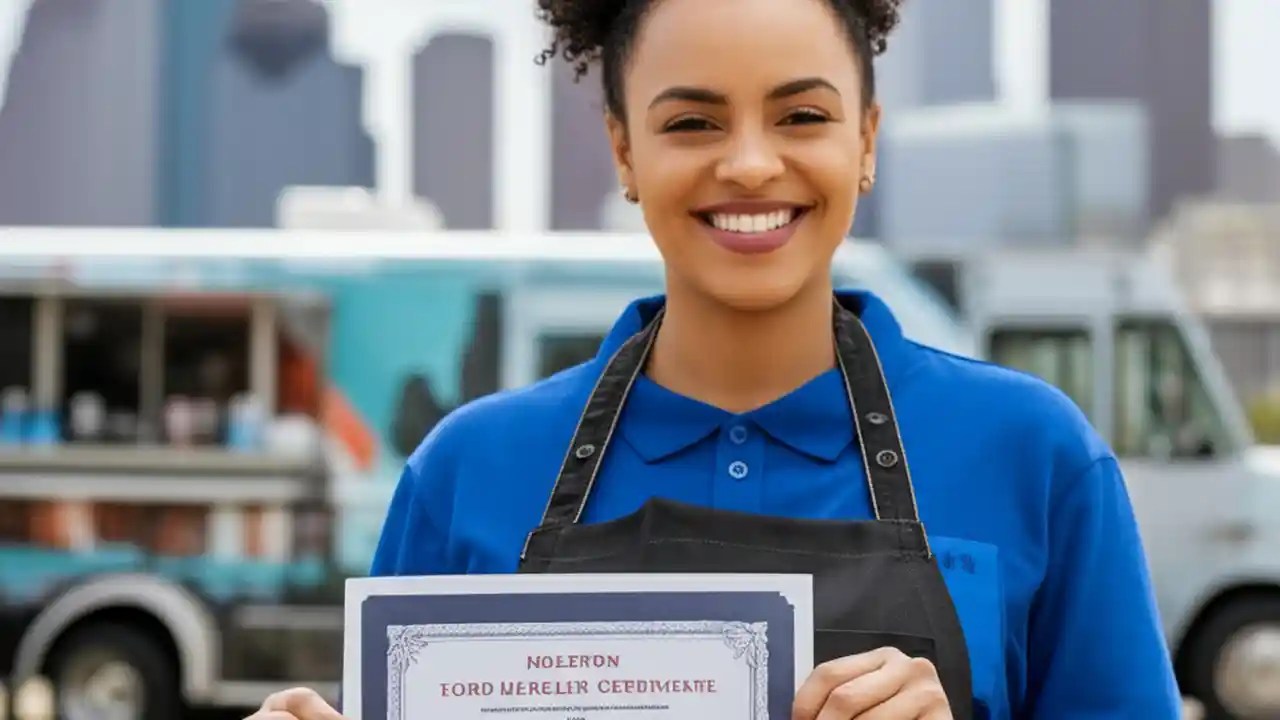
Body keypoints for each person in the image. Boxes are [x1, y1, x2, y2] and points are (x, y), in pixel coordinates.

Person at [247, 0, 1184, 717]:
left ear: (865, 139)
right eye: (692, 123)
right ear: (623, 148)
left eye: (802, 116)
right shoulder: (465, 473)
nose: (747, 164)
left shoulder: (1034, 457)